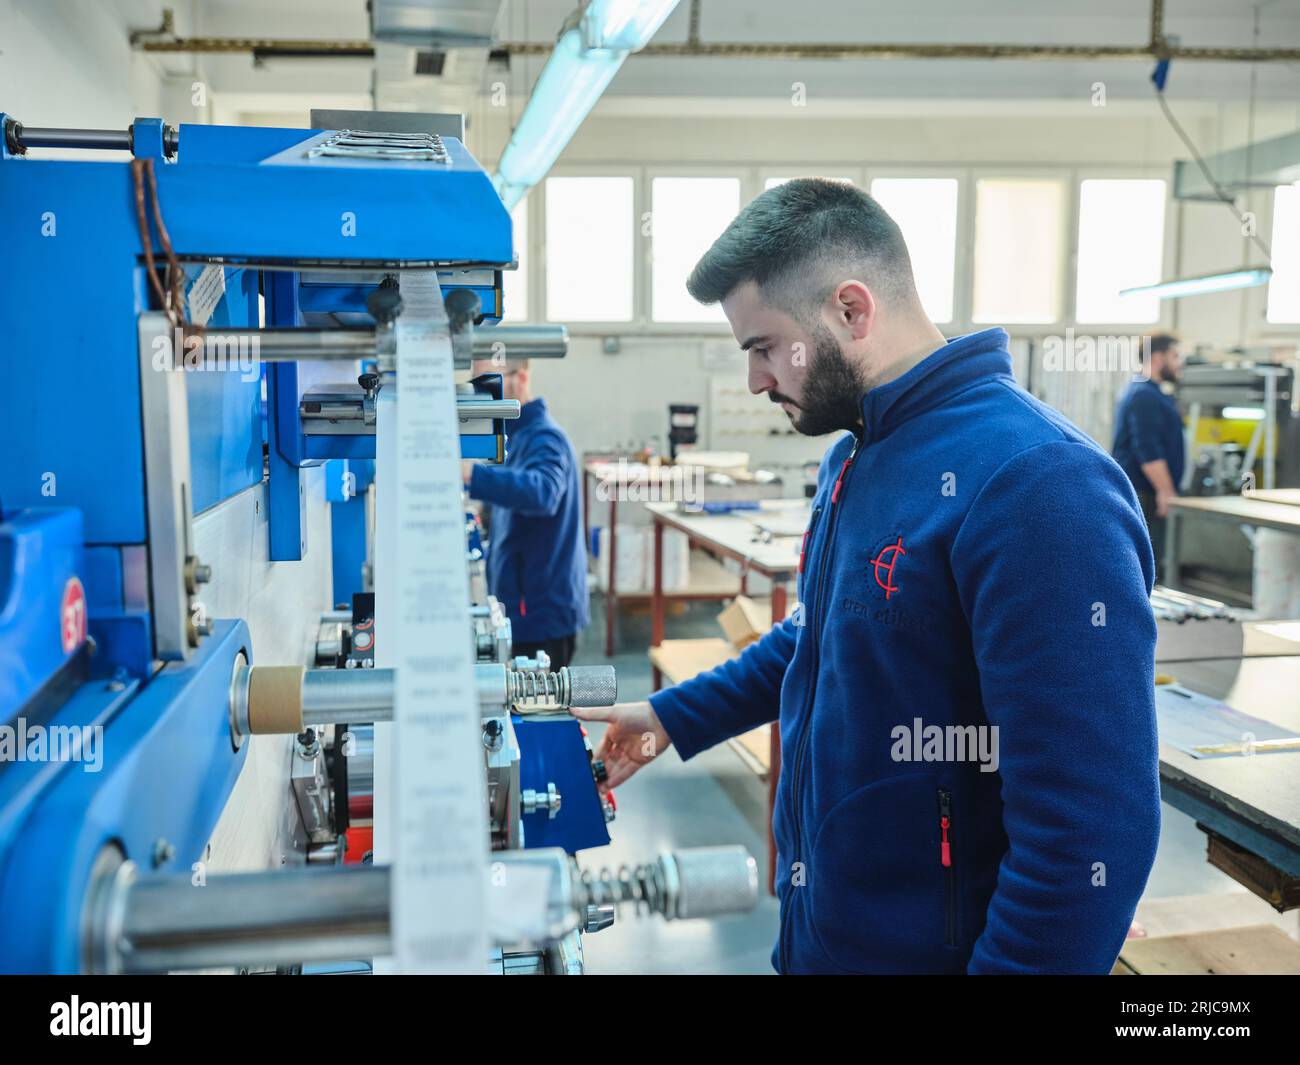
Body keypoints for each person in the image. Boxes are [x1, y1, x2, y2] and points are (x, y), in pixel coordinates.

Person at [571, 179, 1161, 975]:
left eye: (764, 348)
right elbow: (819, 636)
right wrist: (668, 715)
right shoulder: (854, 454)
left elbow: (1092, 831)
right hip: (822, 938)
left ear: (851, 311)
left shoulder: (1040, 485)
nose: (754, 380)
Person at [464, 359, 588, 668]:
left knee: (541, 712)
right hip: (521, 607)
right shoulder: (515, 438)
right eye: (476, 385)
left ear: (521, 378)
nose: (482, 395)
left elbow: (542, 493)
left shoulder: (545, 438)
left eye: (489, 384)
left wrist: (471, 476)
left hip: (541, 615)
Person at [1111, 334, 1186, 582]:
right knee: (1145, 567)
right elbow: (1147, 450)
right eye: (1175, 356)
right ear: (1157, 357)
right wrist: (1166, 491)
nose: (1179, 363)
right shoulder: (1144, 395)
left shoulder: (1152, 392)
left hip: (1148, 492)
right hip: (1145, 493)